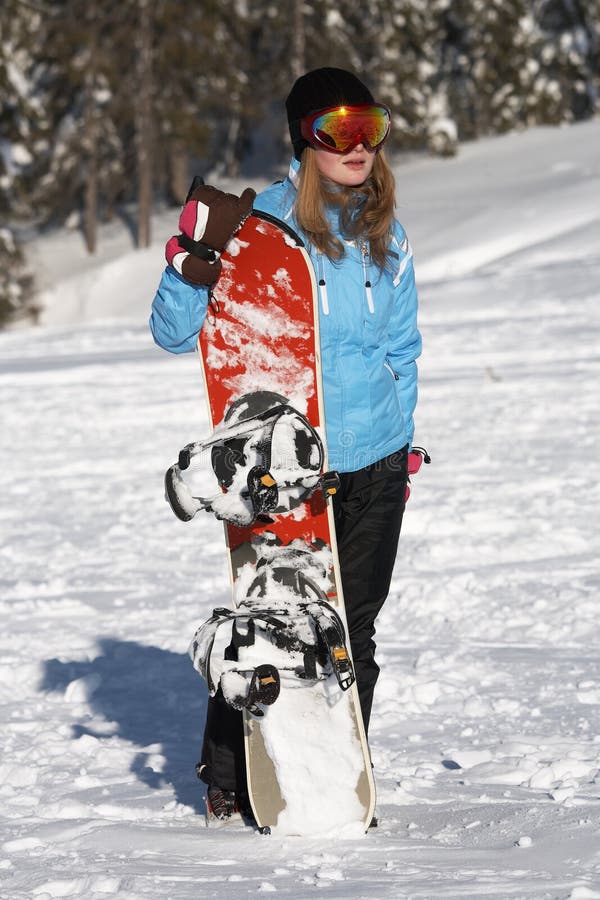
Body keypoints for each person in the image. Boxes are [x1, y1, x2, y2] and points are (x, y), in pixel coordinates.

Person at [150, 67, 422, 823]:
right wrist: (192, 260)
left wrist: (399, 442)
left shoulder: (385, 230)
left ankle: (336, 771)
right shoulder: (258, 226)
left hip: (376, 462)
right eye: (338, 130)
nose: (357, 146)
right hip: (289, 470)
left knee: (350, 631)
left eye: (370, 128)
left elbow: (403, 347)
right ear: (306, 137)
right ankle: (232, 769)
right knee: (270, 618)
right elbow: (174, 332)